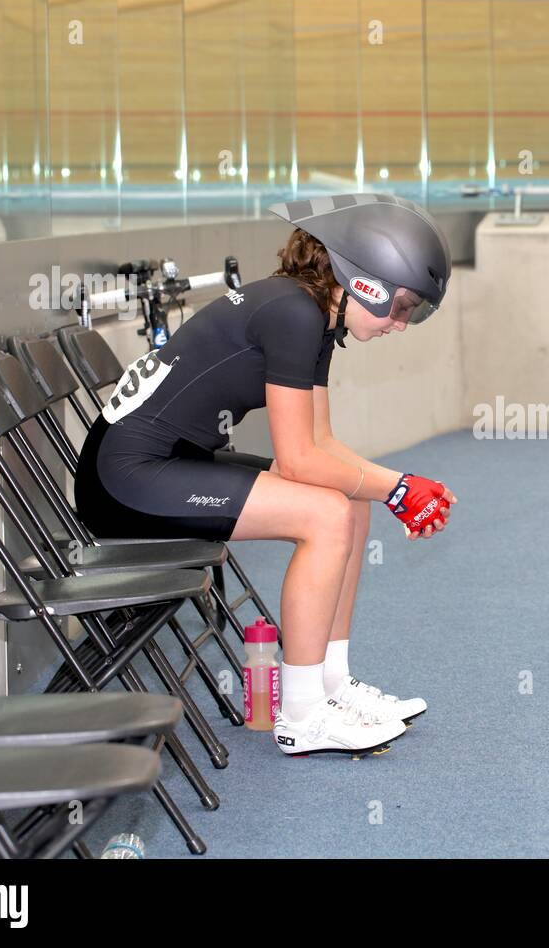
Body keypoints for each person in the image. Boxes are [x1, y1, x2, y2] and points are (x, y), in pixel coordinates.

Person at [74, 193, 456, 757]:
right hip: (124, 479)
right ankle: (301, 716)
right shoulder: (293, 314)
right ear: (362, 279)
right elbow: (299, 460)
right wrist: (400, 487)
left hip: (169, 462)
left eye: (414, 312)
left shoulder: (319, 317)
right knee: (326, 512)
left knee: (347, 502)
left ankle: (330, 685)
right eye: (402, 306)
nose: (402, 324)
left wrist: (390, 486)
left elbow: (321, 446)